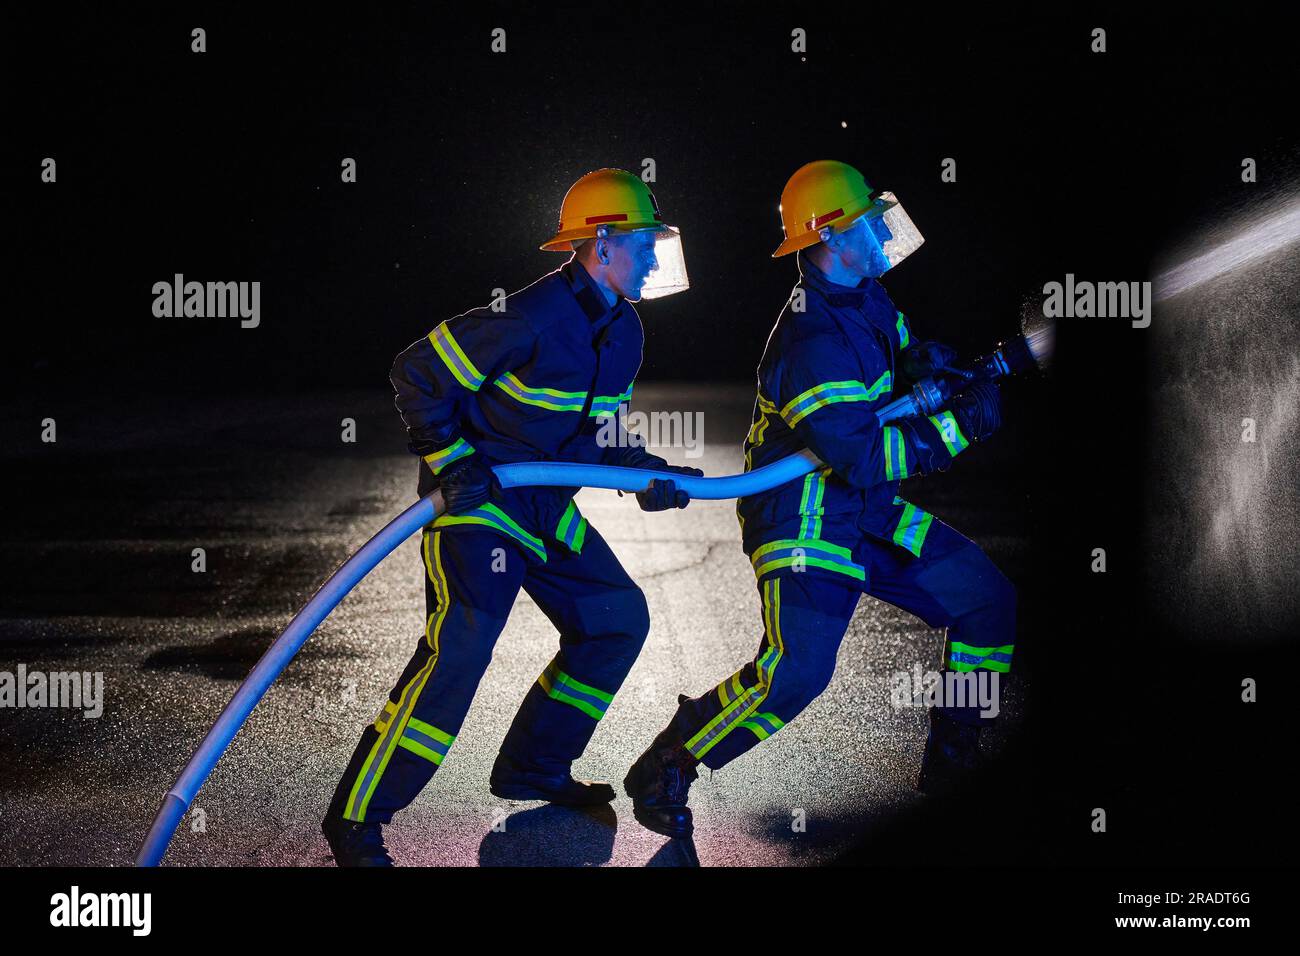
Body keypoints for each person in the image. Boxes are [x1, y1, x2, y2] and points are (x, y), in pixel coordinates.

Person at [624, 160, 1015, 838]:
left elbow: (896, 366)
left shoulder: (865, 294)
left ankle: (955, 765)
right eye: (867, 221)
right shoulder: (808, 339)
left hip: (862, 509)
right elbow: (862, 454)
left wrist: (927, 363)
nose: (879, 231)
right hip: (804, 519)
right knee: (797, 673)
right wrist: (960, 423)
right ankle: (671, 760)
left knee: (987, 600)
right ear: (831, 237)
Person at [323, 168, 702, 865]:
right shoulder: (529, 317)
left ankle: (531, 768)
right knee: (462, 646)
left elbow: (593, 434)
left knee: (617, 617)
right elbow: (418, 372)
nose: (653, 256)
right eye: (645, 242)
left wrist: (647, 474)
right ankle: (356, 816)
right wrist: (453, 458)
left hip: (543, 507)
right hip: (483, 507)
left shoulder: (624, 333)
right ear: (604, 243)